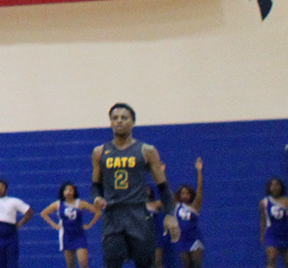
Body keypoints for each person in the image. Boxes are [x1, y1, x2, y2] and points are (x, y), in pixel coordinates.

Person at [91, 104, 177, 268]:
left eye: (124, 118)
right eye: (115, 118)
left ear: (133, 122)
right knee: (112, 263)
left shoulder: (146, 150)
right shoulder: (99, 152)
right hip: (113, 215)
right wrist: (96, 198)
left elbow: (163, 187)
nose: (119, 121)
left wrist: (170, 214)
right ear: (110, 122)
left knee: (145, 264)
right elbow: (95, 186)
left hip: (138, 214)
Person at [40, 183, 99, 268]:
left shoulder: (80, 203)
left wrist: (90, 224)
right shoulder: (58, 204)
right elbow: (44, 213)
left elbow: (97, 212)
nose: (68, 192)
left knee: (83, 264)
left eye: (71, 190)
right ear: (63, 192)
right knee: (70, 265)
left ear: (74, 192)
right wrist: (54, 225)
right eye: (66, 190)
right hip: (66, 235)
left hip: (79, 235)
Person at [169, 161, 203, 268]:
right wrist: (162, 173)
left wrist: (199, 171)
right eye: (183, 193)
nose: (185, 196)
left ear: (191, 195)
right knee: (186, 265)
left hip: (194, 239)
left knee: (196, 265)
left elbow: (200, 190)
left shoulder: (194, 206)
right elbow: (167, 192)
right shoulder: (177, 206)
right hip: (182, 240)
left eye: (187, 193)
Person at [264, 178, 288, 268]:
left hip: (287, 235)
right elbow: (263, 220)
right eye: (272, 185)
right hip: (272, 234)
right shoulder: (265, 202)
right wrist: (262, 235)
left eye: (277, 185)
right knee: (271, 260)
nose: (275, 188)